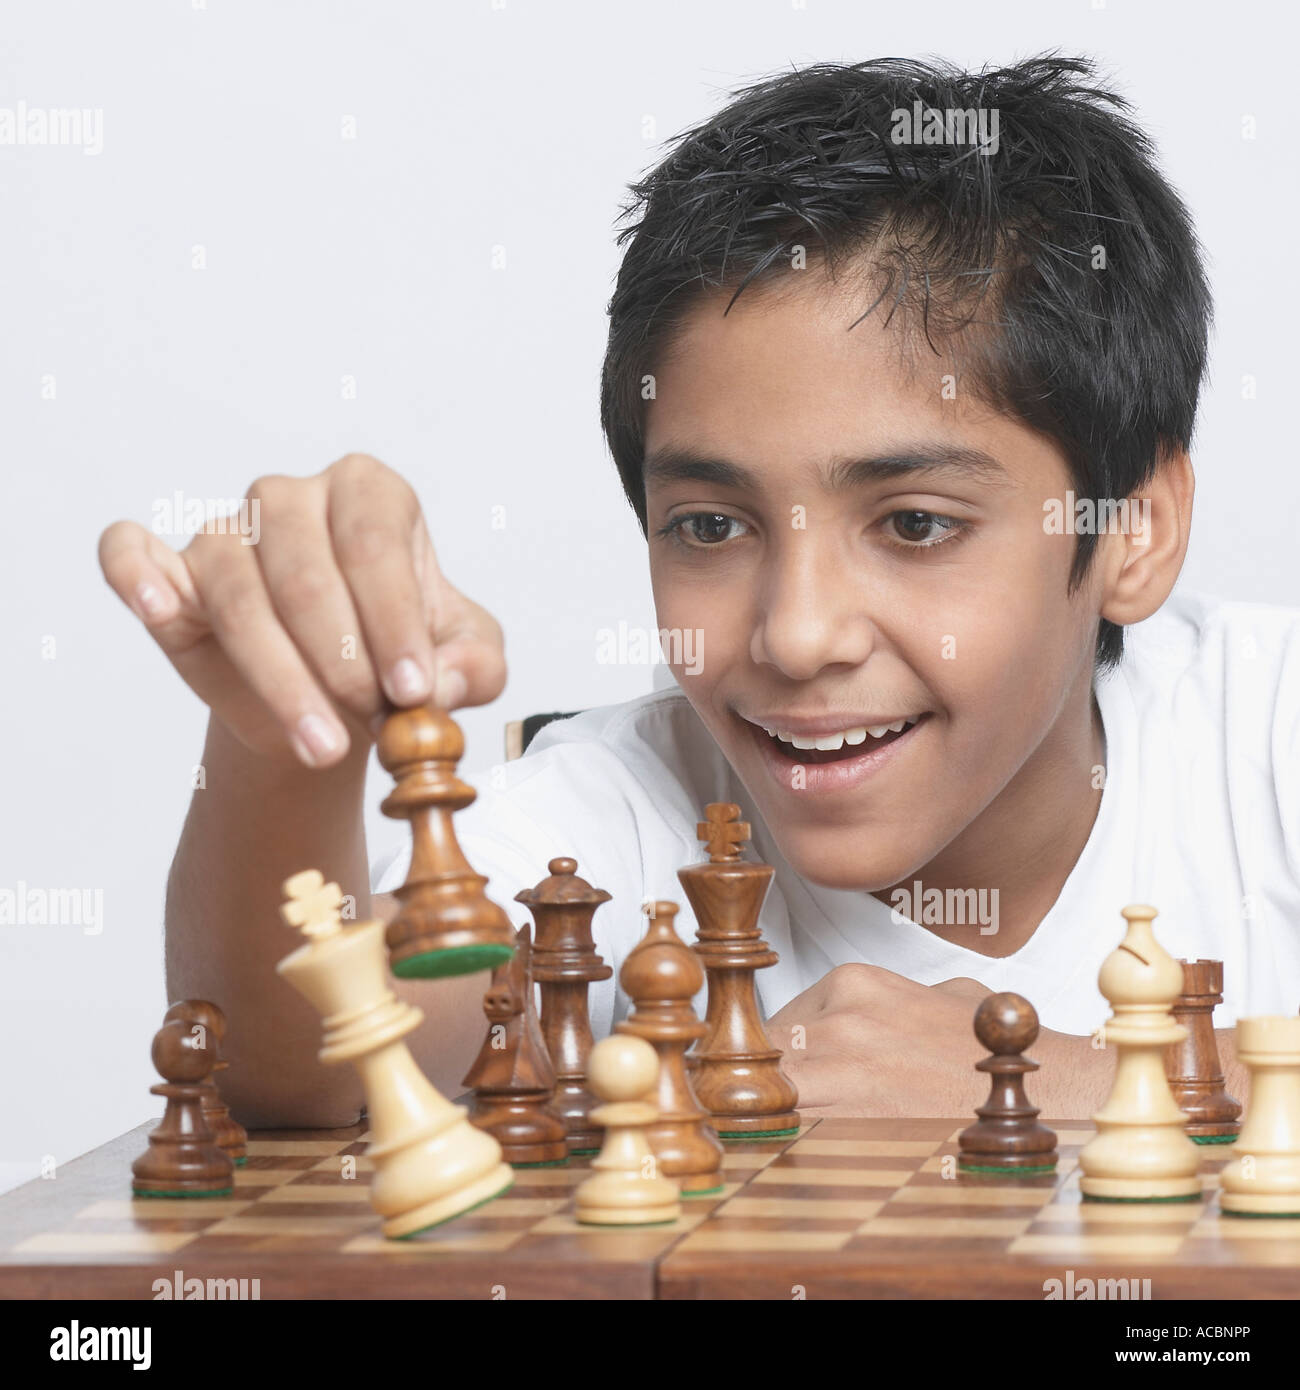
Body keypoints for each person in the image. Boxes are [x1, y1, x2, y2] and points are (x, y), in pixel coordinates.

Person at [98, 55, 1300, 1127]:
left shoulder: (1267, 726)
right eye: (710, 525)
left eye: (916, 523)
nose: (796, 633)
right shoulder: (623, 810)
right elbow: (294, 1076)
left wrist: (1061, 1078)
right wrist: (283, 740)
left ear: (1129, 529)